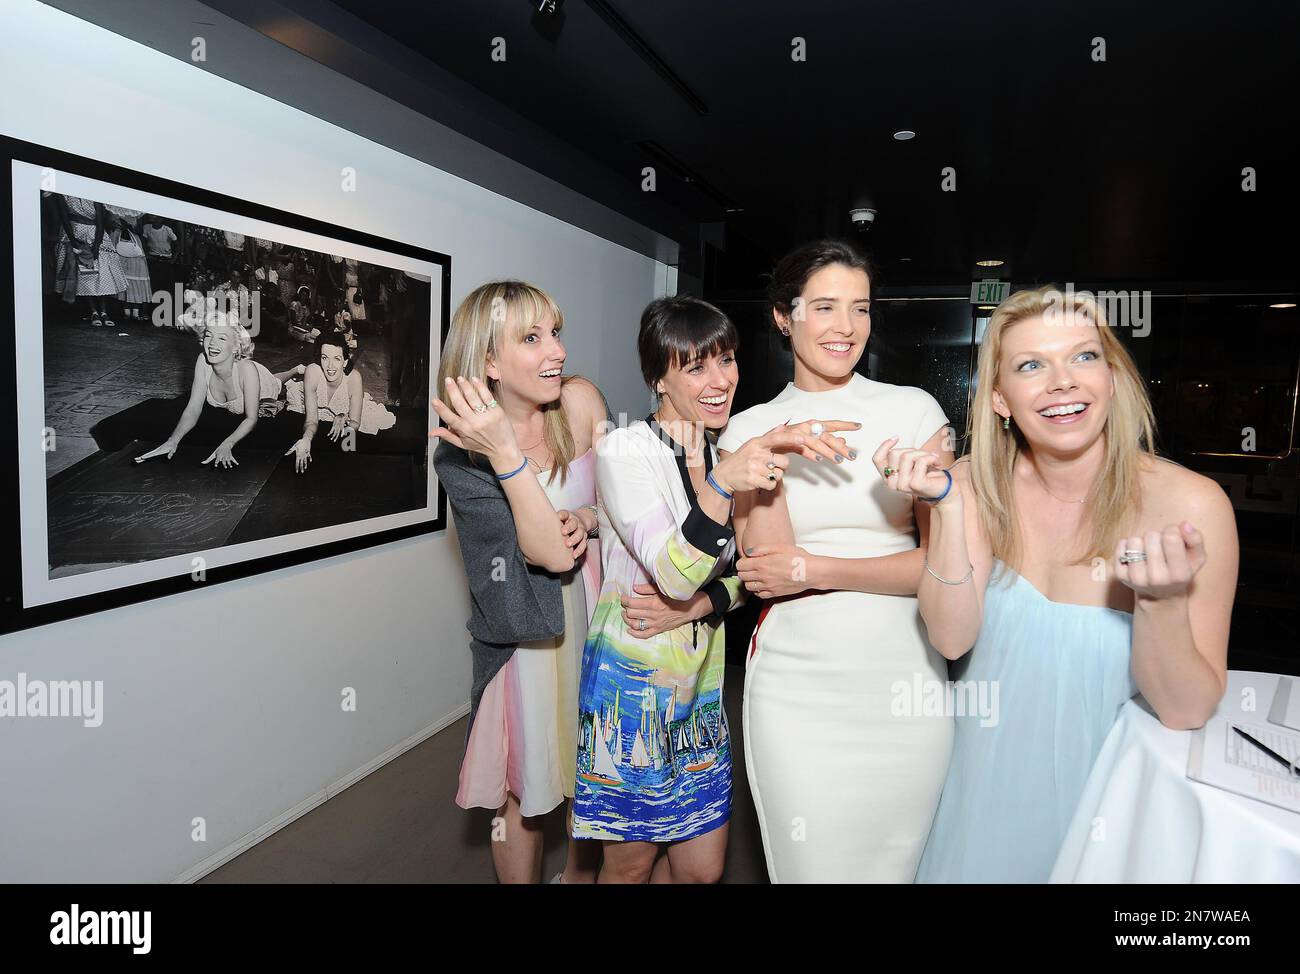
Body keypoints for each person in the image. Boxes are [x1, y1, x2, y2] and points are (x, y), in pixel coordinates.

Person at [877, 284, 1239, 883]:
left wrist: (1161, 601)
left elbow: (1186, 709)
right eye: (1030, 366)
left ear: (1113, 378)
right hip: (980, 796)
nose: (1063, 381)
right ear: (999, 399)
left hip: (1113, 802)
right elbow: (949, 639)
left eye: (1084, 357)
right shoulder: (968, 486)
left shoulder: (1190, 504)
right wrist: (946, 509)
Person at [572, 295, 850, 883]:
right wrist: (724, 482)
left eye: (727, 360)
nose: (720, 380)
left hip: (701, 687)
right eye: (695, 366)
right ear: (657, 378)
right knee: (630, 865)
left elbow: (755, 575)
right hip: (634, 689)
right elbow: (672, 572)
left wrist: (703, 604)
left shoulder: (729, 452)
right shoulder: (626, 450)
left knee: (702, 869)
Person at [717, 239, 955, 883]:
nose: (845, 327)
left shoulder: (914, 411)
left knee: (898, 865)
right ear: (782, 316)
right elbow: (769, 571)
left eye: (860, 308)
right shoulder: (749, 430)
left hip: (905, 681)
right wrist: (772, 457)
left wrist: (822, 570)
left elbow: (944, 566)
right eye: (824, 307)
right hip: (798, 686)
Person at [430, 280, 608, 884]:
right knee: (520, 794)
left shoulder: (580, 403)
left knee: (592, 781)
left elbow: (623, 506)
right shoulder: (461, 455)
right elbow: (549, 556)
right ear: (487, 360)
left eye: (554, 332)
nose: (554, 350)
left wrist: (588, 516)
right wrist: (506, 452)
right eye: (530, 338)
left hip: (595, 625)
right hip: (523, 644)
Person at [135, 311, 300, 468]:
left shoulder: (246, 369)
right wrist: (173, 440)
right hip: (243, 377)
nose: (212, 343)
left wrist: (227, 443)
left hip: (260, 380)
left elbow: (251, 418)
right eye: (208, 336)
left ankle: (294, 371)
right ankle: (293, 371)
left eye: (222, 338)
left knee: (276, 382)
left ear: (236, 347)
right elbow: (193, 408)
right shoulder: (203, 360)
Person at [283, 333, 395, 471]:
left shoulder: (354, 378)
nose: (330, 366)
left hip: (350, 410)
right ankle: (293, 371)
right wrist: (306, 439)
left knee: (348, 451)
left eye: (337, 359)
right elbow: (311, 421)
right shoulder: (313, 371)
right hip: (317, 408)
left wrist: (344, 416)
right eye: (325, 358)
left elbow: (355, 422)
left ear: (345, 362)